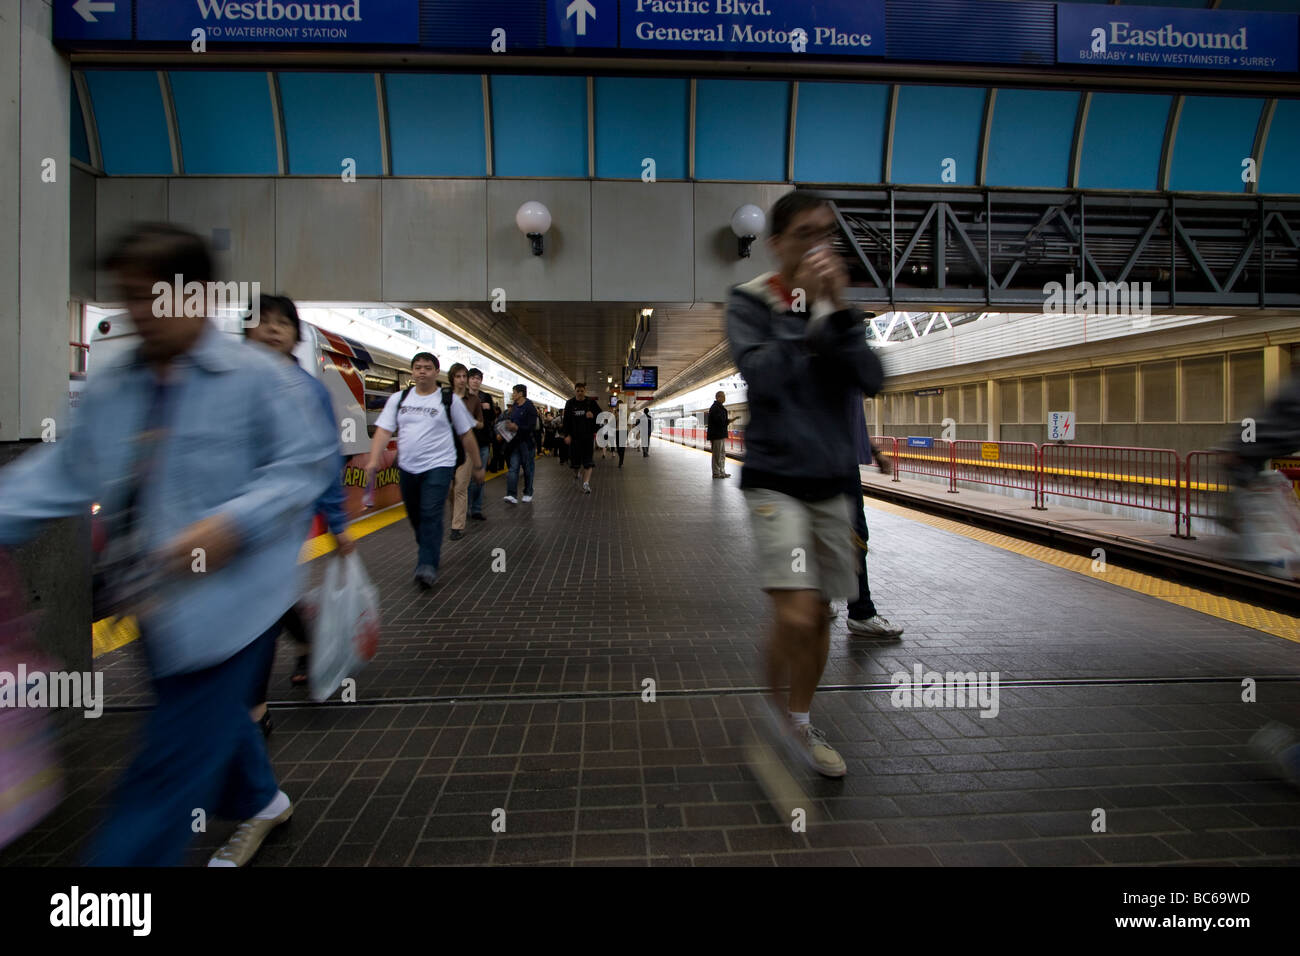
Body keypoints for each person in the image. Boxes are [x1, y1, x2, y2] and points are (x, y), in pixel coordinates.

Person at [0, 223, 338, 866]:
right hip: (157, 609)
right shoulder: (118, 383)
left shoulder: (257, 380)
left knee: (160, 780)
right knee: (209, 722)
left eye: (160, 294)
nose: (143, 312)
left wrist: (232, 523)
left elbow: (306, 468)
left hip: (235, 612)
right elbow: (69, 469)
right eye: (131, 296)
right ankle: (261, 797)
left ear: (202, 295)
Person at [726, 191, 884, 779]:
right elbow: (763, 374)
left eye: (827, 234)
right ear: (777, 244)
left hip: (832, 481)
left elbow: (872, 378)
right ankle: (774, 711)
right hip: (775, 479)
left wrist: (837, 309)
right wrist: (812, 318)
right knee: (794, 614)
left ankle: (799, 717)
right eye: (805, 235)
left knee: (819, 614)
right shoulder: (749, 302)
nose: (819, 246)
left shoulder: (838, 308)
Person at [244, 294, 358, 729]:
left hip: (281, 518)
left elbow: (326, 458)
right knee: (264, 601)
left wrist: (337, 522)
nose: (272, 329)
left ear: (295, 335)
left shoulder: (308, 390)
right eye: (263, 321)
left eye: (283, 323)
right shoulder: (225, 381)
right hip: (223, 522)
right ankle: (307, 642)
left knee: (263, 604)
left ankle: (253, 705)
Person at [367, 352, 483, 589]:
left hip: (439, 465)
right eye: (417, 367)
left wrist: (478, 465)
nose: (422, 371)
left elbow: (466, 434)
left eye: (427, 368)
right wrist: (373, 459)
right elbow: (384, 430)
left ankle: (427, 564)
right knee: (416, 515)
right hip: (408, 467)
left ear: (436, 372)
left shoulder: (448, 400)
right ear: (412, 372)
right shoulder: (399, 399)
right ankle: (427, 546)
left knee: (430, 512)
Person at [445, 363, 482, 541]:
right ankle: (456, 515)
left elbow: (481, 423)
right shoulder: (443, 397)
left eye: (464, 376)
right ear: (452, 378)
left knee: (460, 486)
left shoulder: (473, 400)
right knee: (449, 488)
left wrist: (468, 421)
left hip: (465, 447)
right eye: (458, 376)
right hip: (444, 448)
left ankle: (456, 526)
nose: (461, 380)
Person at [465, 368, 497, 522]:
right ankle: (465, 507)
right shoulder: (462, 396)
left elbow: (491, 419)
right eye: (473, 378)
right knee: (465, 478)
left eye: (478, 378)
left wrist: (488, 410)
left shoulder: (486, 397)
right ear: (468, 380)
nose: (475, 381)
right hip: (465, 442)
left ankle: (476, 509)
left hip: (483, 442)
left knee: (479, 477)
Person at [502, 384, 540, 504]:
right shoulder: (514, 407)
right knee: (513, 468)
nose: (513, 395)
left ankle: (528, 492)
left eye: (514, 392)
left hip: (527, 444)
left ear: (520, 394)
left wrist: (517, 427)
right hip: (515, 443)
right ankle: (511, 494)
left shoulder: (530, 407)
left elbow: (531, 426)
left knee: (528, 469)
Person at [562, 382, 602, 494]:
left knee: (588, 462)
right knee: (575, 463)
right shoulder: (570, 403)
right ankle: (576, 473)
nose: (580, 393)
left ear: (585, 391)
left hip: (588, 438)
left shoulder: (591, 402)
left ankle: (586, 484)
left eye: (582, 391)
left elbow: (601, 416)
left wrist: (593, 416)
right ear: (575, 391)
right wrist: (566, 435)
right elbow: (566, 421)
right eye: (578, 391)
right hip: (574, 438)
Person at [708, 391, 732, 479]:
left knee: (722, 454)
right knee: (717, 455)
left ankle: (722, 471)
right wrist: (727, 421)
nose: (724, 398)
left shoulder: (719, 407)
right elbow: (718, 421)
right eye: (723, 396)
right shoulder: (715, 408)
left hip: (720, 434)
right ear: (718, 397)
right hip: (716, 435)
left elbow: (721, 420)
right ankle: (716, 473)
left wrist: (727, 421)